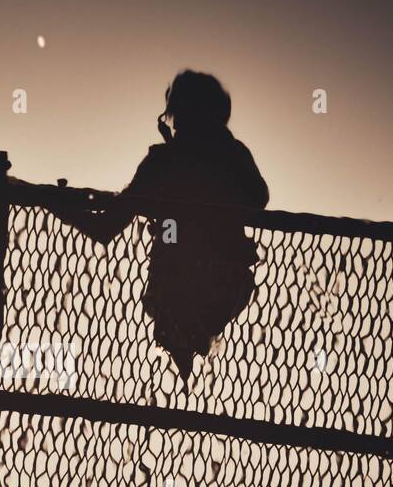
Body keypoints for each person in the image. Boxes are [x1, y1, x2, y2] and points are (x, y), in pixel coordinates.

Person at [52, 70, 269, 391]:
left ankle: (183, 339)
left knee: (172, 242)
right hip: (228, 285)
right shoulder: (234, 155)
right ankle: (189, 339)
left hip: (175, 284)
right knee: (176, 254)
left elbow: (106, 227)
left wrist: (61, 207)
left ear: (175, 115)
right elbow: (259, 199)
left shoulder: (163, 162)